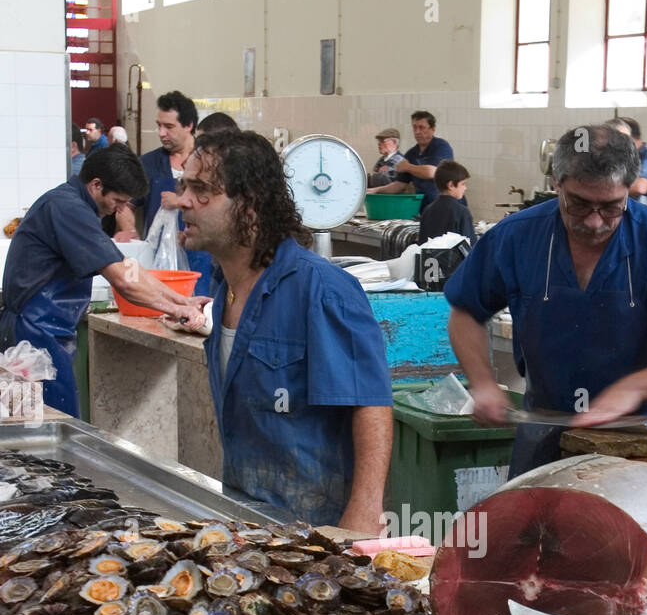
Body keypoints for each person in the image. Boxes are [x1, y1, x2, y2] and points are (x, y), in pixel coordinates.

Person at [443, 125, 647, 477]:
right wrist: (482, 382)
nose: (594, 222)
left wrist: (634, 388)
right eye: (578, 204)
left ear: (627, 190)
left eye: (611, 207)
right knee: (532, 528)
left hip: (635, 432)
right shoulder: (516, 236)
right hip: (543, 422)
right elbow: (465, 312)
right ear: (557, 183)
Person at [176, 130, 393, 529]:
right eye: (184, 185)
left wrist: (362, 519)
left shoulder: (322, 290)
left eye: (202, 189)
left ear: (250, 204)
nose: (184, 201)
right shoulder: (223, 289)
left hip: (315, 529)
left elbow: (370, 404)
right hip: (250, 523)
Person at [0, 146, 209, 417]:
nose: (121, 209)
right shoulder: (67, 208)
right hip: (32, 333)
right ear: (96, 185)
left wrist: (183, 300)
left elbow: (128, 268)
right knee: (41, 429)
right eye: (119, 200)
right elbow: (124, 281)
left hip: (47, 331)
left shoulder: (74, 205)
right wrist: (177, 311)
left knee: (50, 426)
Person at [138, 90, 210, 289]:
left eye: (168, 127)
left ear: (189, 126)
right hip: (159, 259)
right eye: (159, 126)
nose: (161, 133)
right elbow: (126, 203)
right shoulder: (148, 163)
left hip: (204, 258)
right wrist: (127, 228)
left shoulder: (209, 161)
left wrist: (178, 202)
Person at [368, 111, 457, 211]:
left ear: (432, 129)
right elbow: (399, 185)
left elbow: (432, 172)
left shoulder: (441, 146)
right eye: (415, 127)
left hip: (445, 206)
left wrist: (408, 167)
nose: (417, 132)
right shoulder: (411, 154)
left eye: (421, 127)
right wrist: (376, 190)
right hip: (423, 207)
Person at [418, 161, 476, 246]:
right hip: (456, 259)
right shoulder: (462, 212)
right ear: (451, 185)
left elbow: (422, 244)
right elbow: (469, 246)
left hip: (430, 259)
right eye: (463, 184)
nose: (465, 188)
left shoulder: (427, 210)